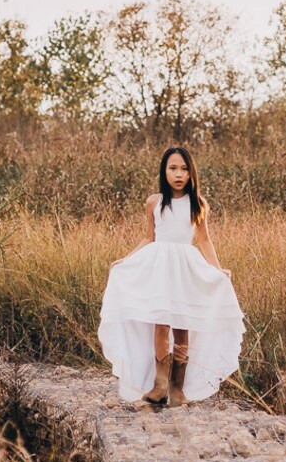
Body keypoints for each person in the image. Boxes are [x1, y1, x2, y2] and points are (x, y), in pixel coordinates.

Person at [97, 145, 244, 406]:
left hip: (186, 268)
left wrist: (217, 268)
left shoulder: (197, 203)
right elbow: (149, 237)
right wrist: (127, 259)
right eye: (173, 168)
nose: (178, 174)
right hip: (159, 267)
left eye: (184, 169)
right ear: (164, 171)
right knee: (160, 323)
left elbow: (205, 240)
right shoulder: (154, 202)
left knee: (182, 325)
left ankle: (178, 388)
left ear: (191, 173)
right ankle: (160, 384)